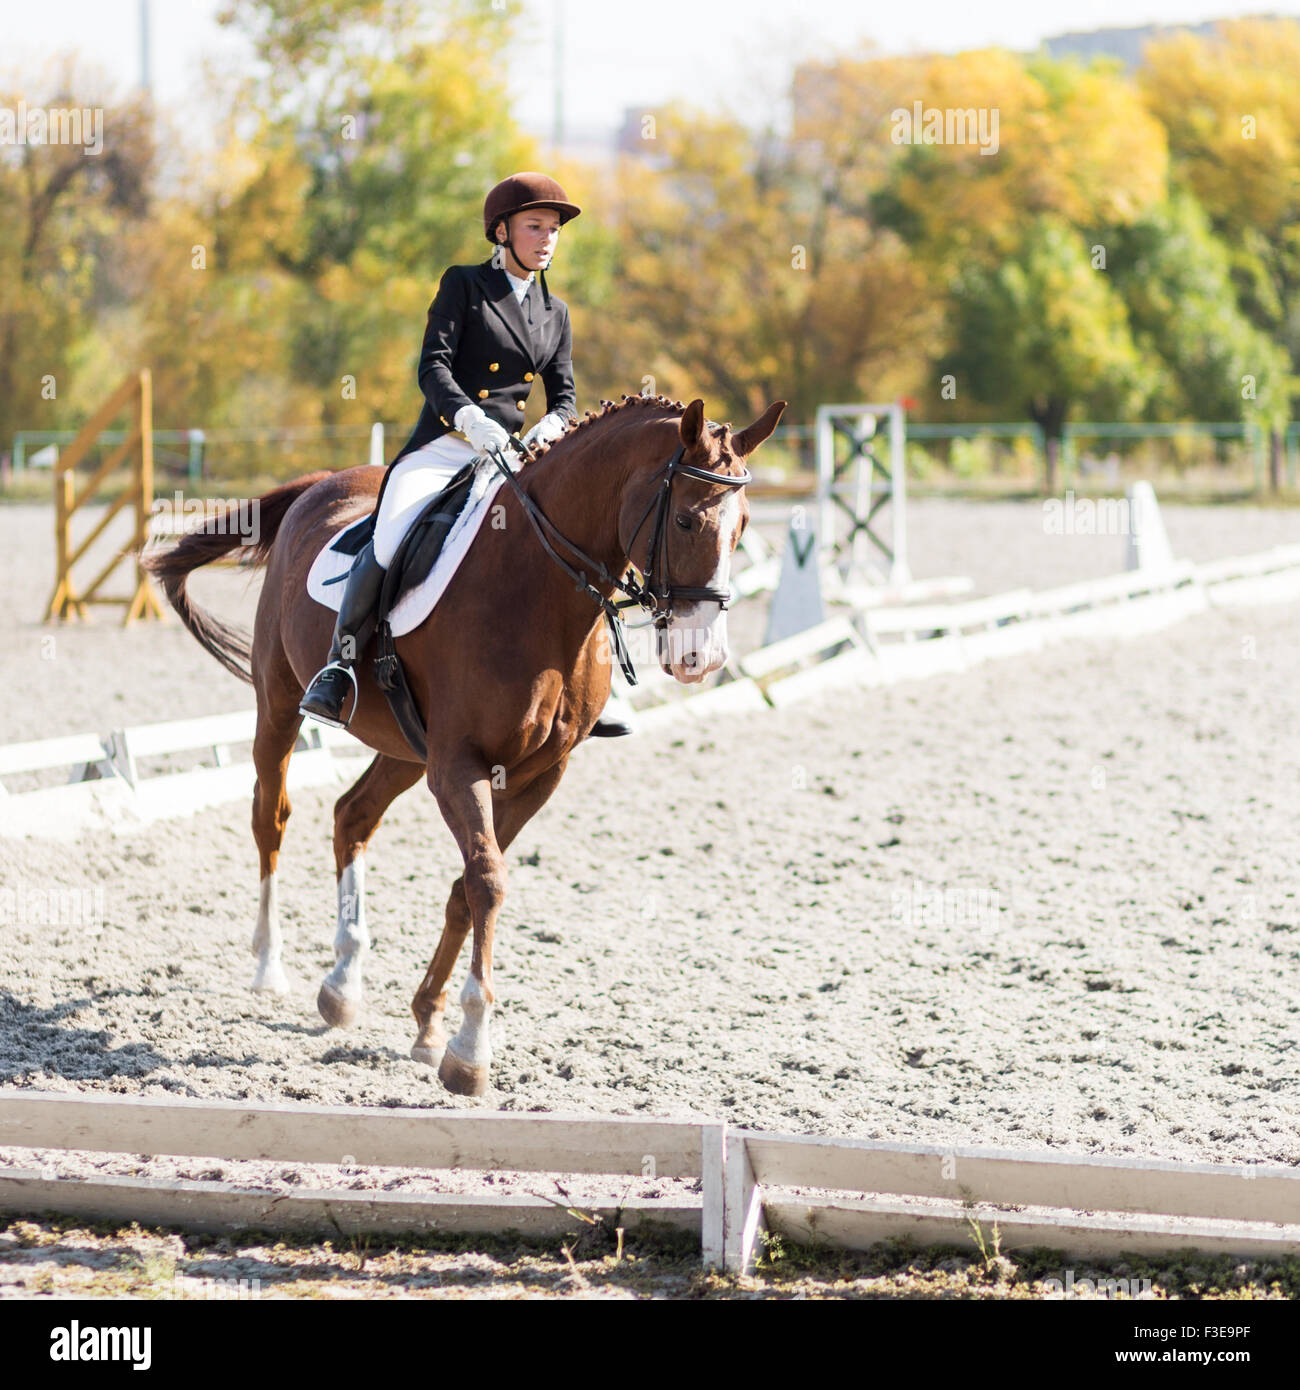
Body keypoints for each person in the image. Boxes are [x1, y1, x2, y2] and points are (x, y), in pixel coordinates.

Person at [299, 171, 631, 737]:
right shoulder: (464, 285)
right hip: (447, 447)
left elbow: (566, 395)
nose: (547, 238)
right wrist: (472, 419)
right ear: (501, 231)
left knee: (577, 540)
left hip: (516, 457)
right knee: (390, 534)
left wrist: (550, 427)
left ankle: (593, 682)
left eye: (553, 229)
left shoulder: (557, 314)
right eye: (535, 227)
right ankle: (340, 666)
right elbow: (433, 366)